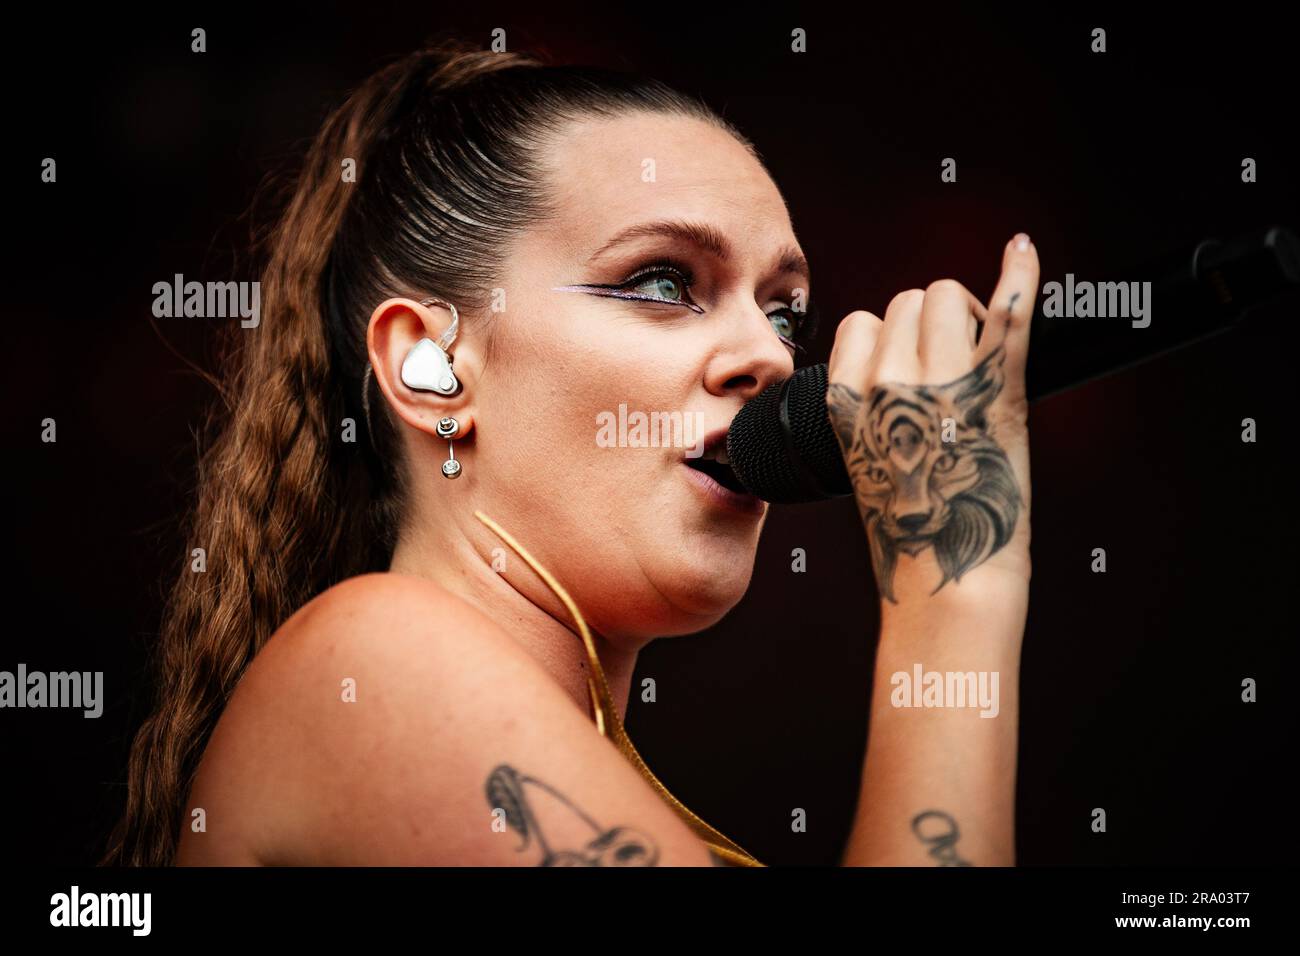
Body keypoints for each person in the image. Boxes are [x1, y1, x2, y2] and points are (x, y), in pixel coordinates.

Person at [101, 37, 1038, 867]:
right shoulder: (372, 660)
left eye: (784, 309)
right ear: (434, 369)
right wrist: (955, 572)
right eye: (664, 280)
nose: (770, 354)